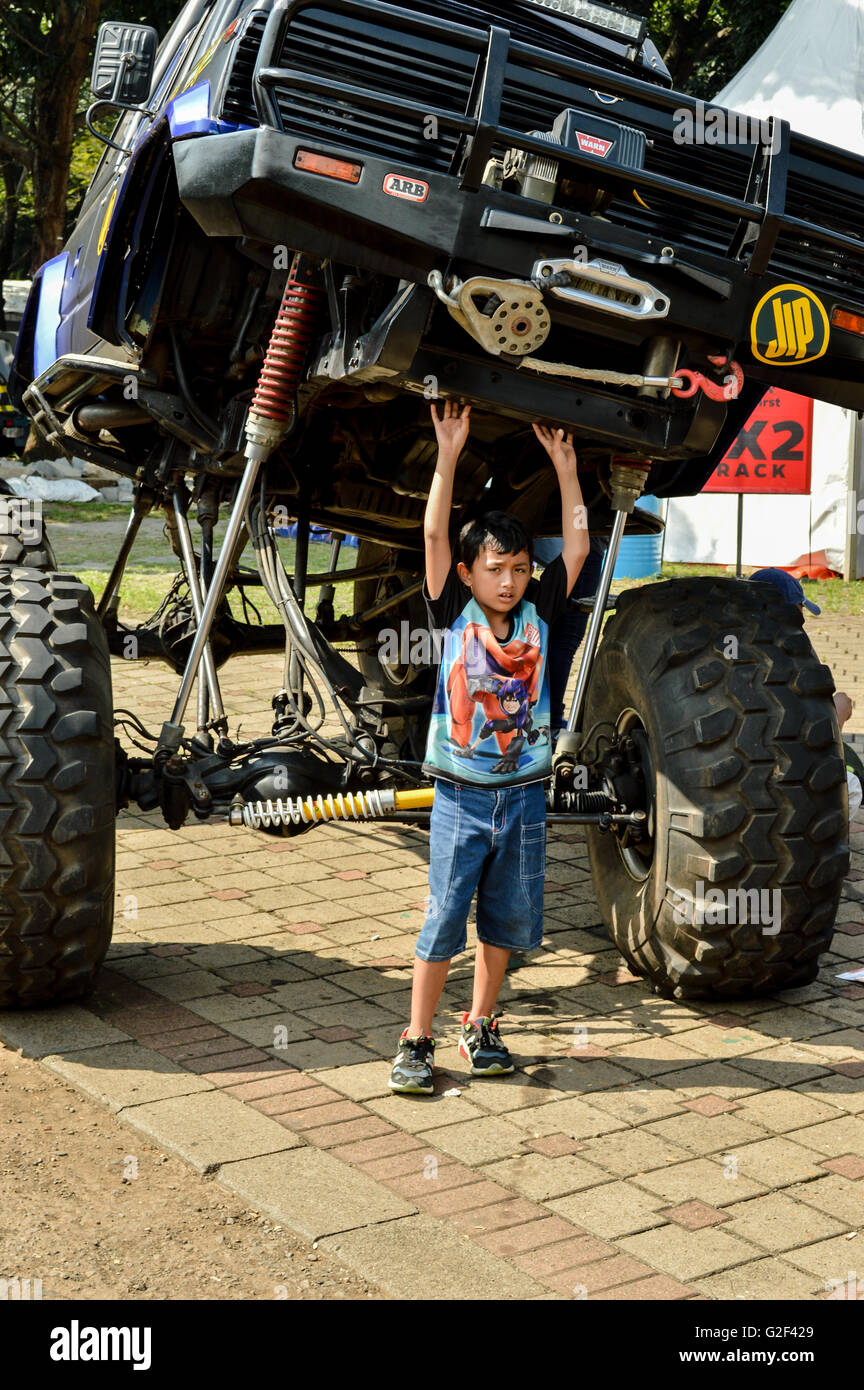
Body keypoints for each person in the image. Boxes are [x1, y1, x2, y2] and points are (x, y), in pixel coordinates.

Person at [388, 402, 590, 1093]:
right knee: (443, 918)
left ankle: (481, 1023)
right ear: (471, 574)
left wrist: (566, 469)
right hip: (460, 799)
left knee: (503, 922)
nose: (508, 580)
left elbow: (580, 546)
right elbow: (433, 531)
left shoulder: (541, 612)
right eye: (495, 568)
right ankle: (417, 1037)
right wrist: (448, 453)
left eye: (519, 568)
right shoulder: (454, 610)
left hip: (525, 799)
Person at [749, 567, 863, 820]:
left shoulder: (731, 644)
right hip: (786, 765)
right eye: (800, 612)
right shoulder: (795, 652)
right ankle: (835, 829)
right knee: (851, 786)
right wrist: (839, 714)